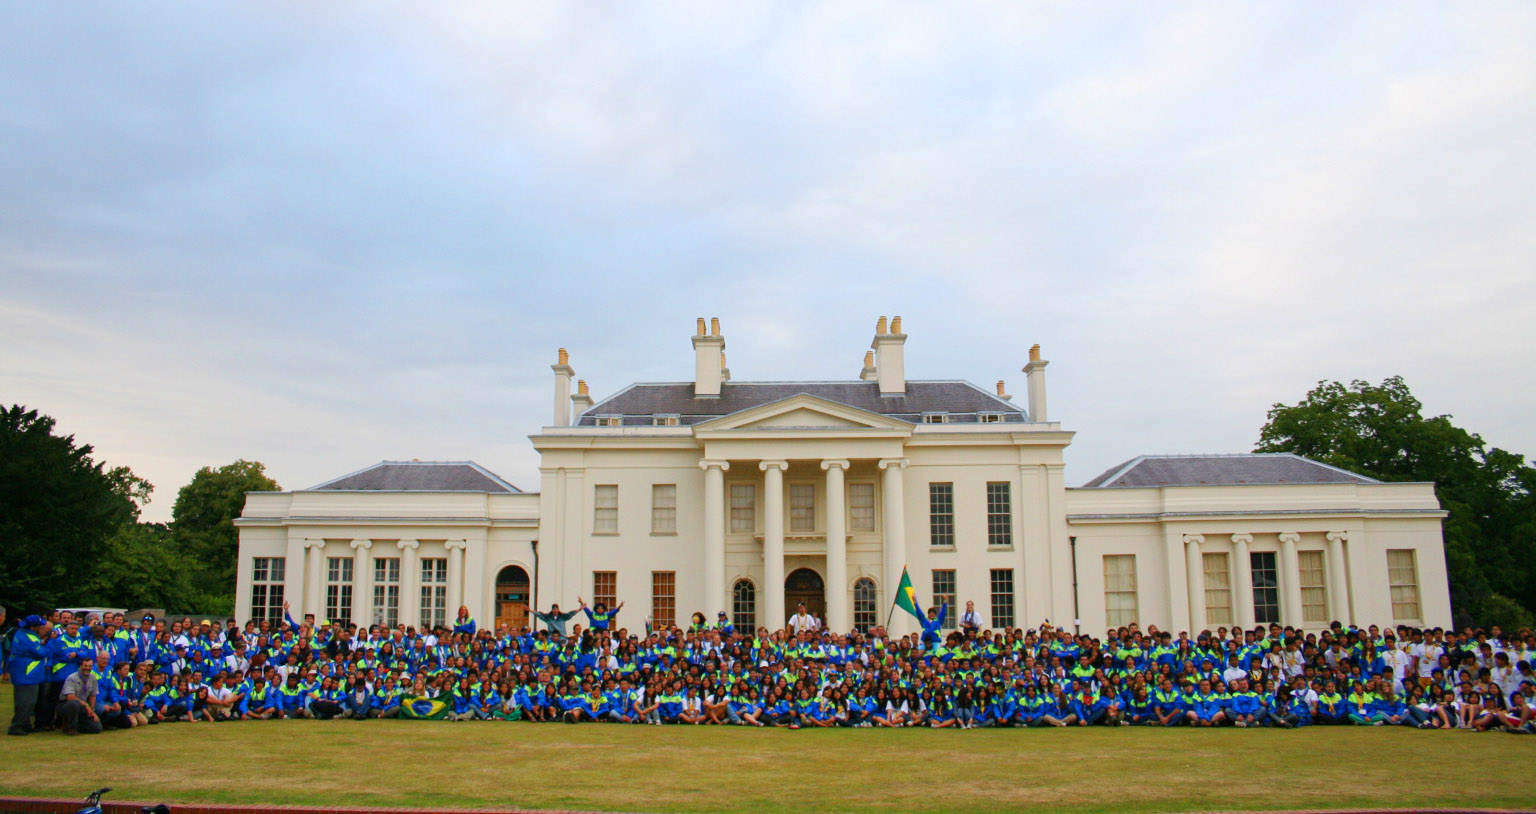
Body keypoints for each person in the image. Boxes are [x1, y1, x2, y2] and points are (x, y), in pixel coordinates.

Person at [7, 615, 49, 736]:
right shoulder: (27, 637)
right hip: (26, 673)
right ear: (32, 626)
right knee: (26, 700)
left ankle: (24, 724)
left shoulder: (24, 633)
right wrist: (47, 645)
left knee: (29, 700)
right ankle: (17, 726)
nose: (42, 627)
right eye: (40, 626)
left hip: (27, 673)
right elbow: (41, 652)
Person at [55, 654, 102, 735]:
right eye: (85, 666)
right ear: (81, 666)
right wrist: (85, 705)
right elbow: (69, 697)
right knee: (74, 704)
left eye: (90, 666)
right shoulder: (72, 678)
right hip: (66, 705)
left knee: (97, 728)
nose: (87, 668)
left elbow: (93, 695)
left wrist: (92, 710)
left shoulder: (93, 678)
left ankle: (74, 725)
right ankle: (71, 728)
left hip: (82, 707)